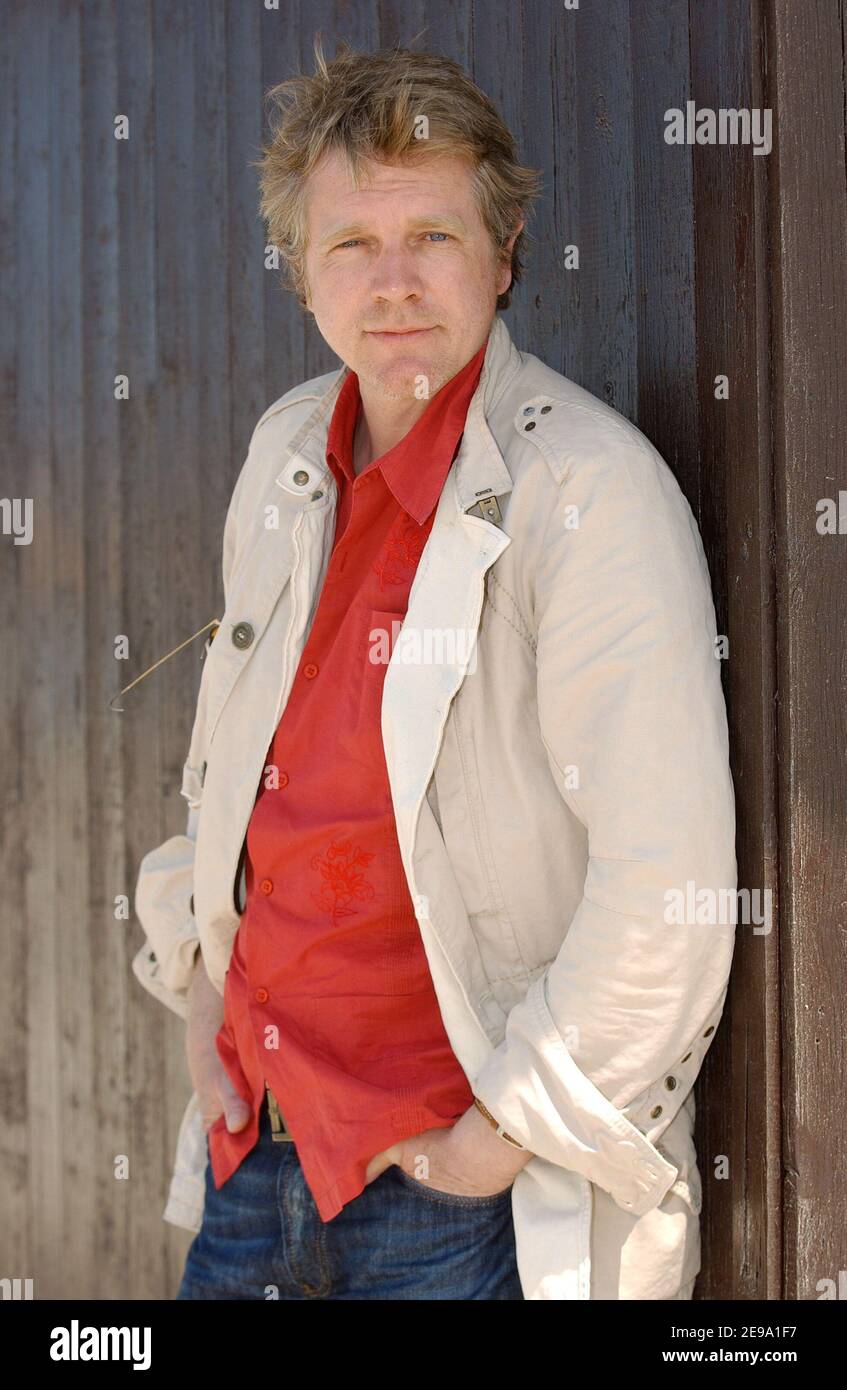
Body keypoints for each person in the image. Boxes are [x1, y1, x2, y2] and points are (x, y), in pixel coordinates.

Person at [134, 36, 737, 1302]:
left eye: (437, 238)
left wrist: (501, 1138)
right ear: (301, 274)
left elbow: (665, 885)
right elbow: (234, 765)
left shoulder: (586, 492)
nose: (393, 282)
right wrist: (201, 1002)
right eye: (352, 243)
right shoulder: (286, 451)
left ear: (505, 254)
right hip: (257, 1158)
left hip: (455, 1202)